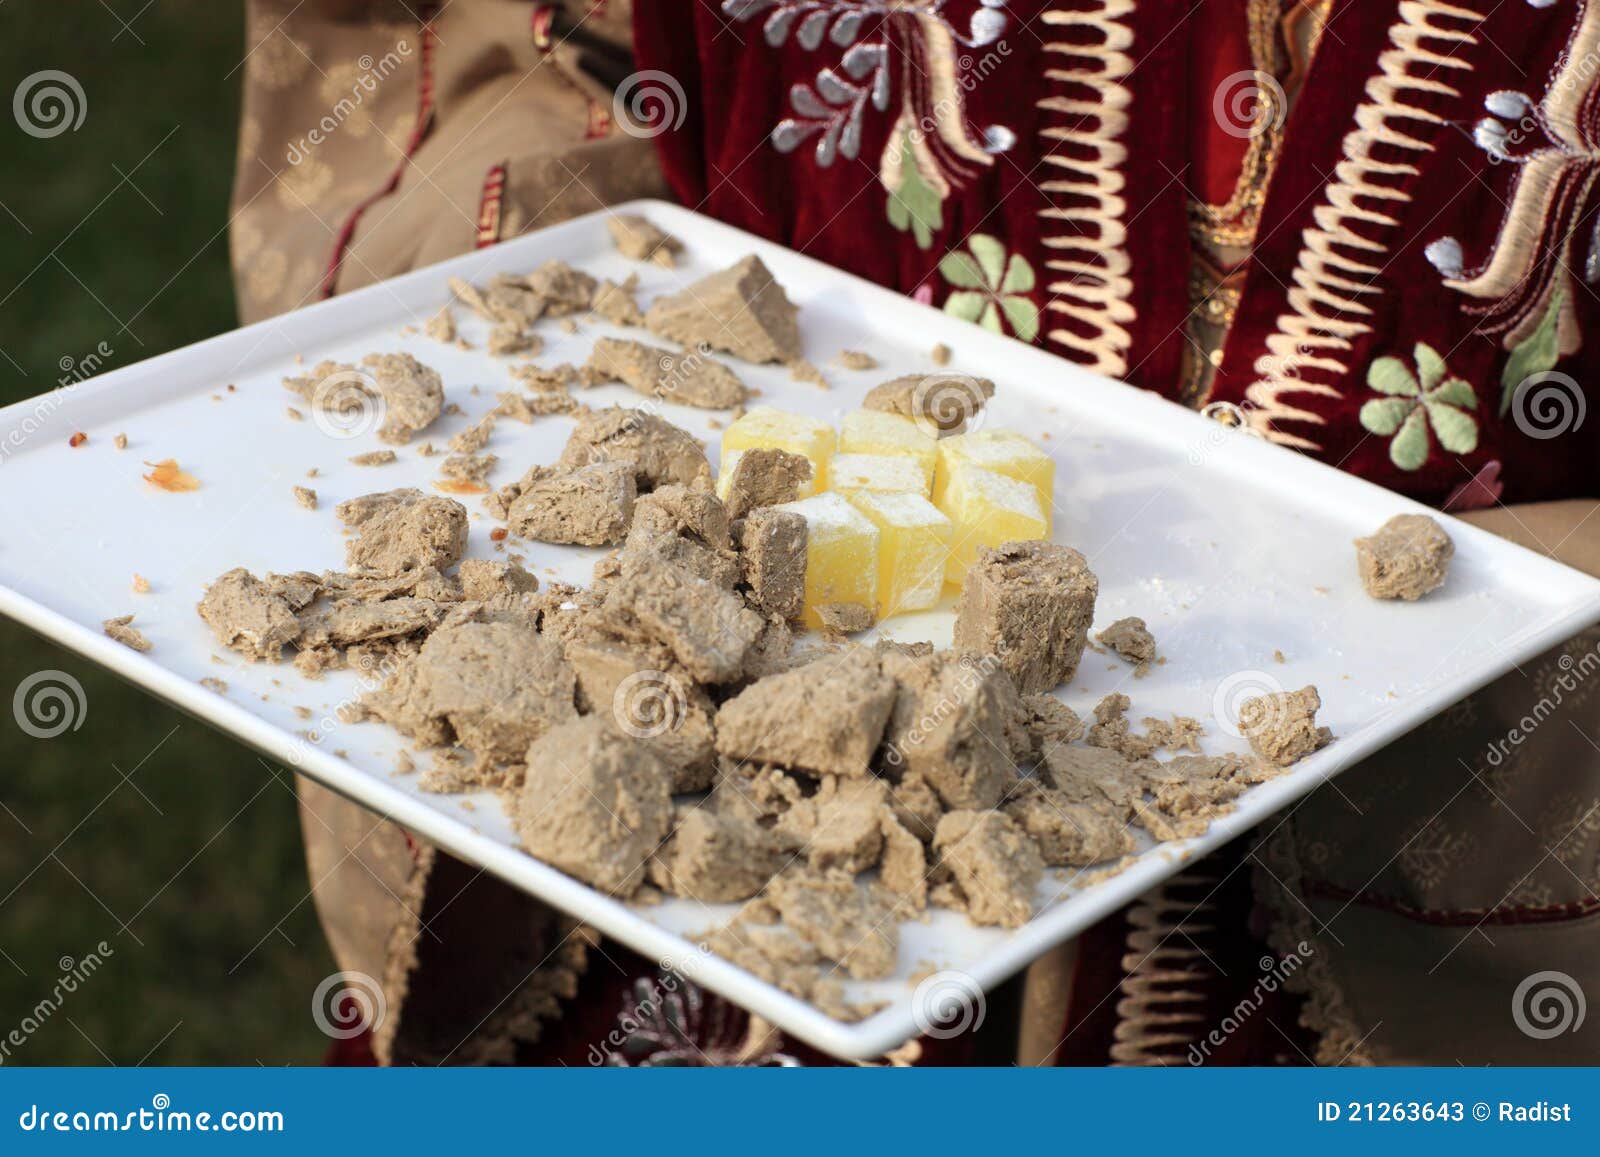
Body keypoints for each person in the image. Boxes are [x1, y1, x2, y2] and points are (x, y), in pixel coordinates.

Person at [232, 0, 1600, 1065]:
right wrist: (542, 291)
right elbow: (485, 49)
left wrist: (1513, 628)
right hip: (696, 916)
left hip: (1412, 946)